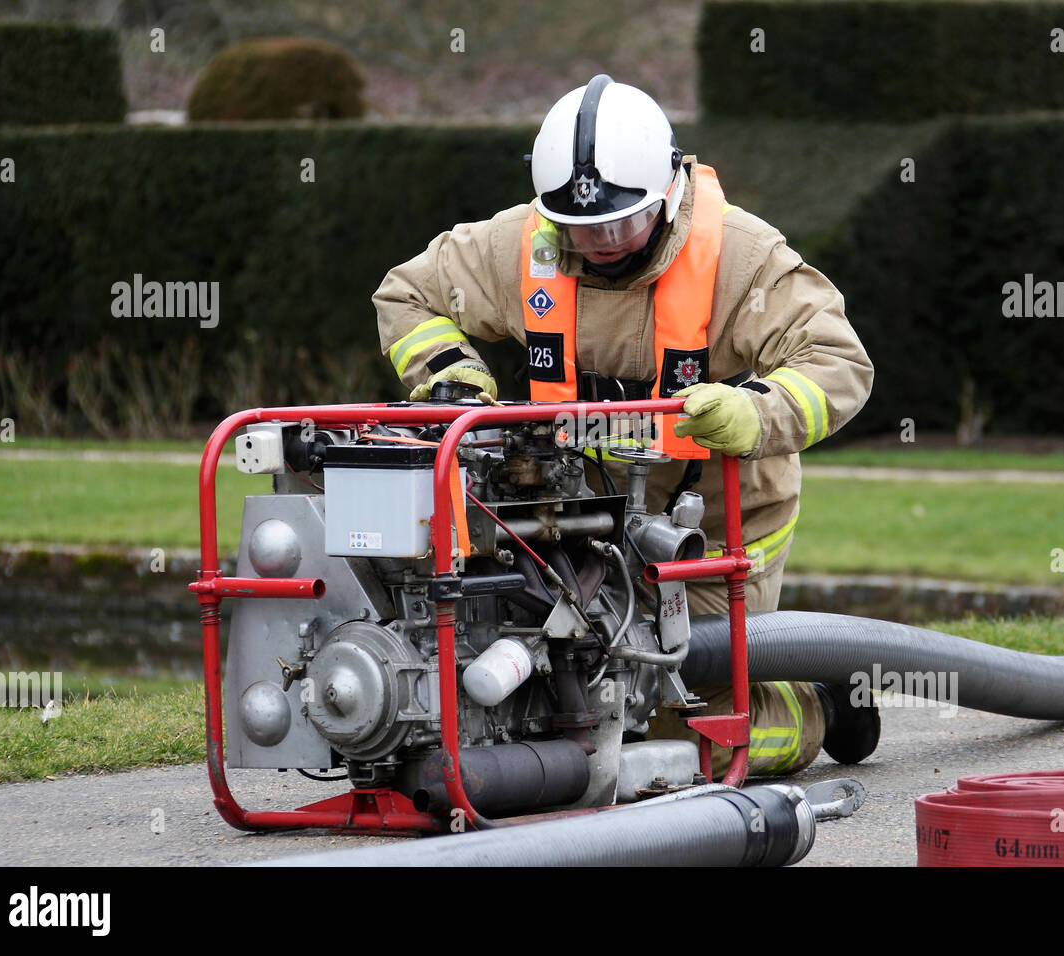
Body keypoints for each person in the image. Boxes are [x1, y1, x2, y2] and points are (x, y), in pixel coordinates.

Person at [373, 75, 876, 777]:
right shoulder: (520, 245)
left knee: (680, 727)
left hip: (716, 524)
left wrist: (756, 412)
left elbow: (839, 362)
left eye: (621, 222)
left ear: (668, 192)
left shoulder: (742, 256)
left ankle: (819, 703)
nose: (603, 242)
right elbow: (407, 293)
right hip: (571, 519)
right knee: (561, 694)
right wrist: (452, 375)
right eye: (581, 227)